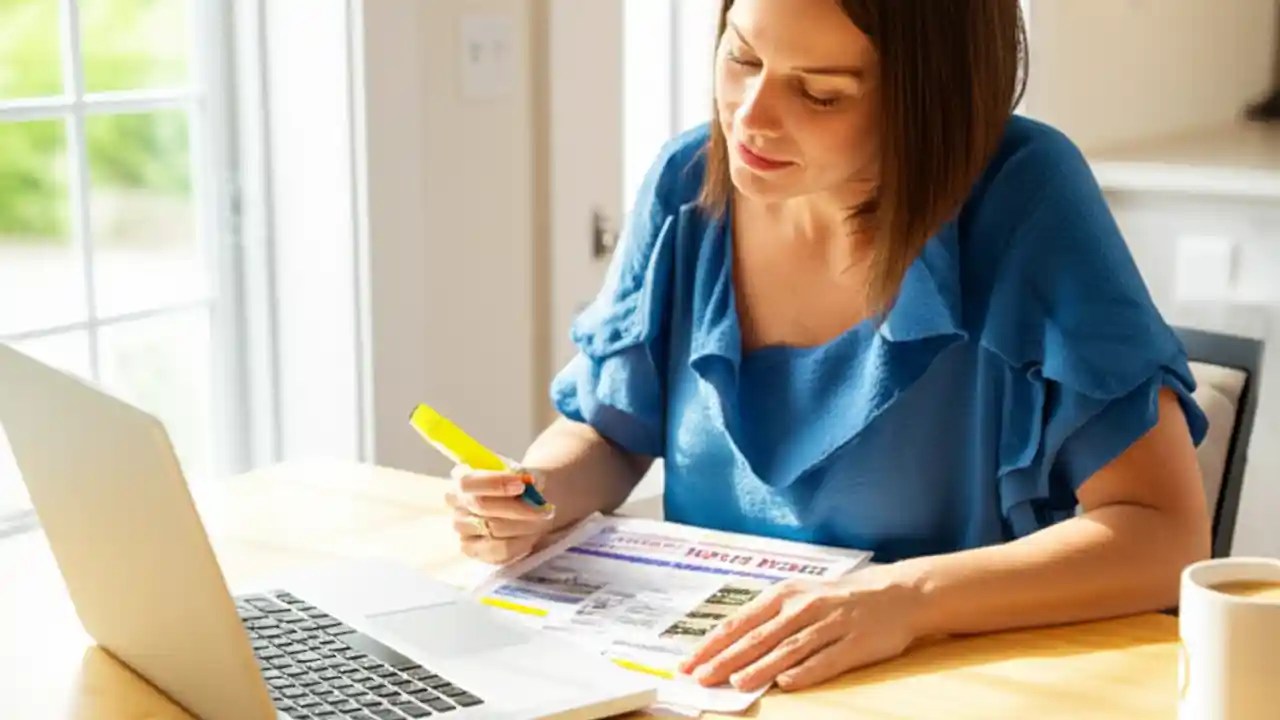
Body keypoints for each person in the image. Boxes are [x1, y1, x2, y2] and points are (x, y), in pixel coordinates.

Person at [445, 0, 1211, 695]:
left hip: (947, 689)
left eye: (820, 94)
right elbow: (610, 432)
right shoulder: (689, 181)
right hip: (705, 685)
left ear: (929, 102)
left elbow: (1162, 534)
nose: (750, 118)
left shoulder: (1026, 194)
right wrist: (534, 494)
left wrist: (909, 600)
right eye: (741, 58)